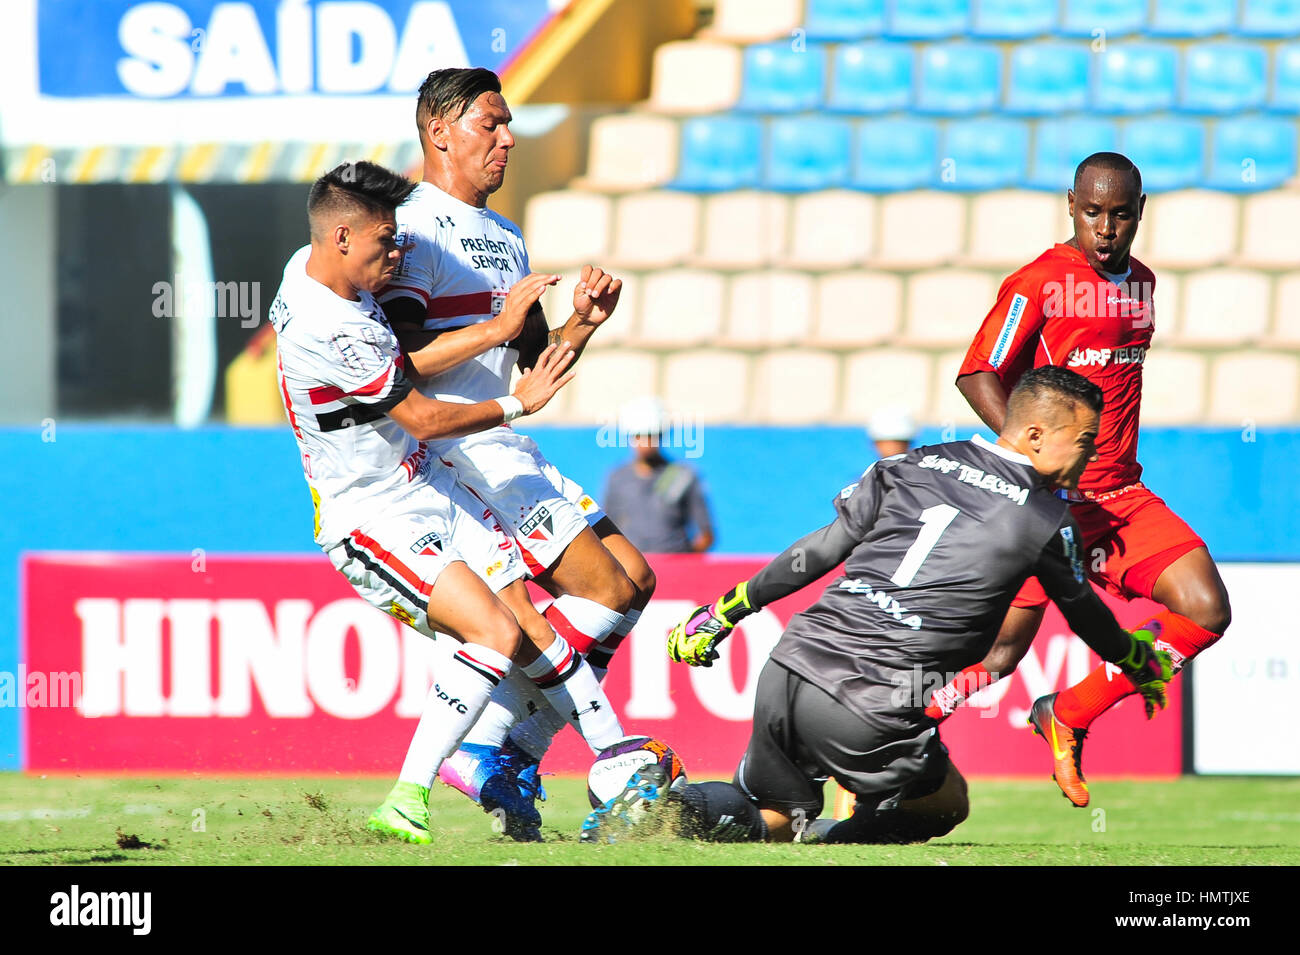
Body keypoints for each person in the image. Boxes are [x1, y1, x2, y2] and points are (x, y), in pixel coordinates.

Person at [580, 366, 1173, 845]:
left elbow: (820, 550)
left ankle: (661, 810)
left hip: (791, 667)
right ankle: (833, 843)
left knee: (773, 816)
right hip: (875, 703)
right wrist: (1135, 659)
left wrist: (727, 610)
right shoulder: (1046, 518)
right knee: (947, 805)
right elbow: (1086, 614)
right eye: (1085, 442)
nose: (1088, 458)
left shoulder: (913, 464)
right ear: (1037, 434)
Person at [271, 161, 621, 844]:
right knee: (495, 632)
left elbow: (415, 392)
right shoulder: (324, 327)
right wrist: (520, 400)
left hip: (427, 481)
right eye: (384, 242)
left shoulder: (314, 263)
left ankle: (616, 753)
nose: (396, 255)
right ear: (341, 237)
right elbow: (424, 417)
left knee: (528, 620)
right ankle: (409, 793)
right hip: (369, 514)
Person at [376, 67, 658, 825]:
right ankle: (523, 747)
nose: (506, 140)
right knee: (603, 586)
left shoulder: (503, 234)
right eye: (489, 125)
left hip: (506, 436)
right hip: (462, 451)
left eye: (508, 126)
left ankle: (502, 752)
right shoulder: (412, 227)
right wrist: (497, 332)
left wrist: (582, 324)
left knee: (635, 579)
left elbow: (526, 368)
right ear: (439, 131)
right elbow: (393, 364)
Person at [941, 152, 1231, 807]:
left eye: (1119, 214)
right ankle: (869, 743)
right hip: (1046, 502)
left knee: (1207, 610)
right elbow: (977, 371)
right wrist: (1032, 462)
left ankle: (1069, 711)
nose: (1105, 227)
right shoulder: (1039, 283)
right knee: (997, 653)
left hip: (1120, 497)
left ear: (1139, 213)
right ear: (1070, 204)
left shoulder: (1142, 284)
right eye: (1093, 211)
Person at [602, 396, 715, 554]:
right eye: (638, 435)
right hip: (630, 570)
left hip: (675, 566)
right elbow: (603, 530)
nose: (644, 442)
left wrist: (686, 565)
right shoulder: (617, 478)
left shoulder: (684, 476)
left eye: (650, 435)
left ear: (661, 435)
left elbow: (706, 534)